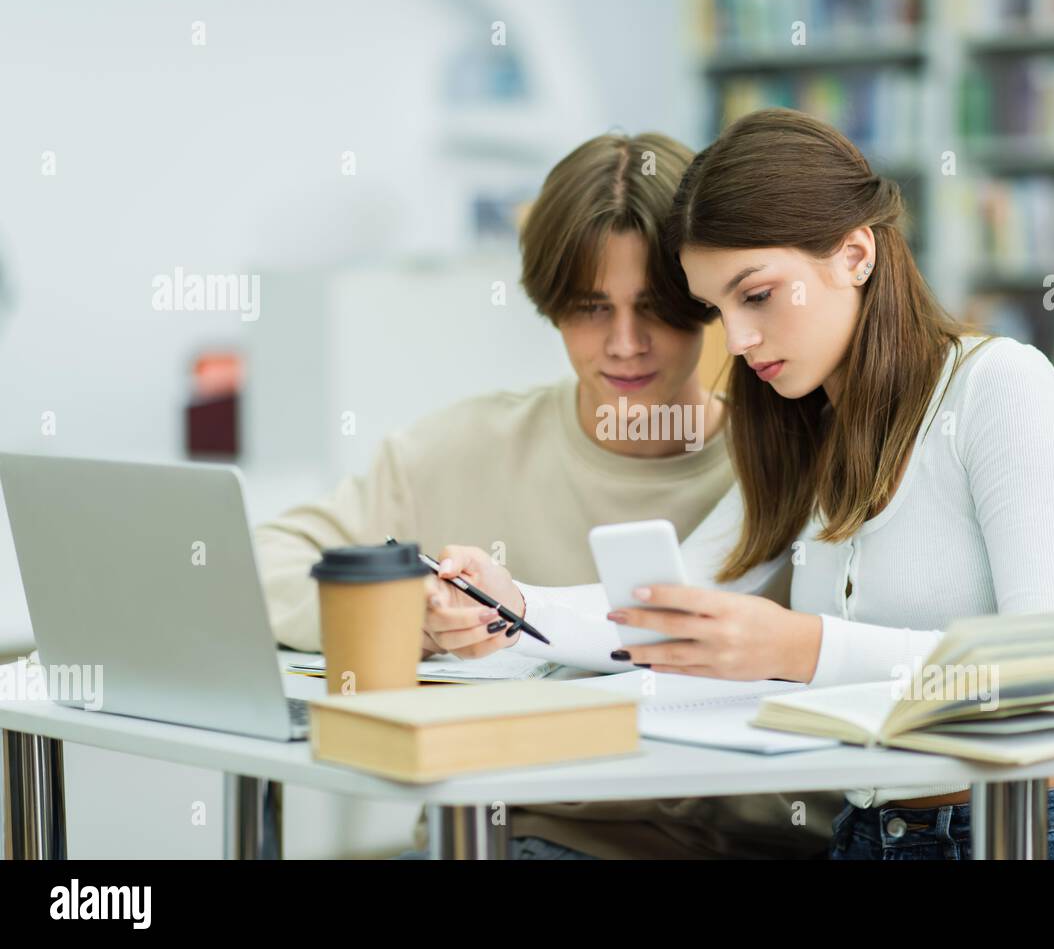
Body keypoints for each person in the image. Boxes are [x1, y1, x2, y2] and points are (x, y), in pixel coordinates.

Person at [421, 108, 1054, 860]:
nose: (736, 340)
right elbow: (665, 610)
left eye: (757, 295)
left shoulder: (1003, 386)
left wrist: (803, 645)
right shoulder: (804, 427)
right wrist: (515, 604)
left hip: (1033, 831)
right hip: (873, 836)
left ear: (855, 254)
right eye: (716, 308)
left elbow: (1052, 683)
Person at [252, 129, 846, 859]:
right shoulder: (465, 445)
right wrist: (405, 617)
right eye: (590, 308)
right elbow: (268, 558)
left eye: (656, 306)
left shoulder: (796, 465)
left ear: (707, 301)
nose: (625, 344)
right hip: (511, 835)